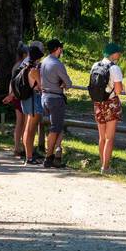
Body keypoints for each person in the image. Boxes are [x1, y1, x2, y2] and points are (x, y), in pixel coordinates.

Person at [91, 43, 126, 174]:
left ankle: (102, 163)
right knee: (110, 137)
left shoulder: (95, 65)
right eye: (118, 52)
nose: (120, 55)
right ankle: (105, 167)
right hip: (110, 103)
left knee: (101, 137)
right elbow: (118, 89)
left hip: (98, 103)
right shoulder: (114, 68)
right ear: (113, 54)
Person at [40, 39, 73, 168]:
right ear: (58, 49)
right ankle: (49, 157)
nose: (61, 51)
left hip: (44, 97)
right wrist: (63, 84)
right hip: (55, 98)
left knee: (55, 127)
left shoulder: (44, 62)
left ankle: (56, 154)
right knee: (55, 128)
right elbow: (68, 83)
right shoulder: (57, 64)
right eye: (61, 49)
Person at [17, 43, 44, 165]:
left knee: (27, 126)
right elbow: (41, 86)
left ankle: (28, 154)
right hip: (34, 99)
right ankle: (29, 156)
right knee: (31, 128)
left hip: (26, 99)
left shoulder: (25, 67)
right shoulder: (34, 70)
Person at [7, 43, 31, 159]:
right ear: (25, 54)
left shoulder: (16, 65)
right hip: (20, 95)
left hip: (15, 95)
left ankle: (18, 147)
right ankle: (22, 147)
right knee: (24, 122)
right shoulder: (22, 65)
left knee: (19, 122)